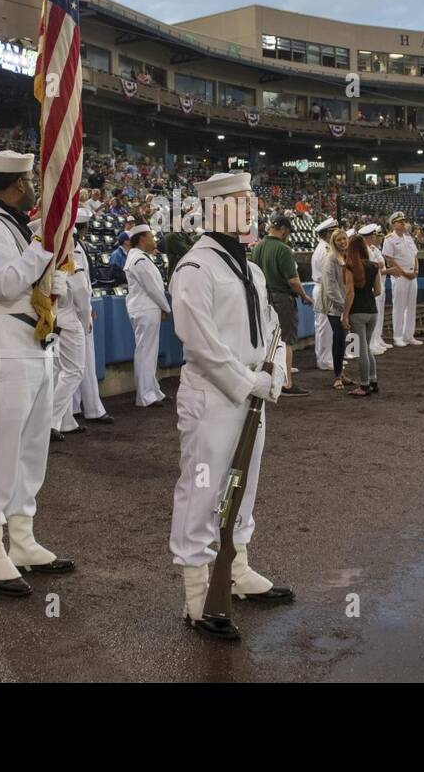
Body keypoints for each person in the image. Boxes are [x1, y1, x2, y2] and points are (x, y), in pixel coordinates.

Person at [168, 170, 290, 640]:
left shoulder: (252, 268)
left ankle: (236, 569)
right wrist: (251, 382)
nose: (253, 206)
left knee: (245, 484)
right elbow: (201, 344)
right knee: (203, 489)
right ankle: (198, 593)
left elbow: (271, 325)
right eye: (243, 199)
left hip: (250, 394)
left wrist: (275, 369)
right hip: (212, 397)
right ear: (218, 208)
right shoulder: (195, 268)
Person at [0, 150, 75, 598]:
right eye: (29, 180)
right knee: (1, 446)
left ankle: (22, 539)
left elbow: (26, 281)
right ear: (15, 184)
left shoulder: (10, 224)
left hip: (33, 339)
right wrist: (43, 249)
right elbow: (5, 284)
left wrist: (50, 284)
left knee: (31, 446)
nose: (34, 188)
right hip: (4, 341)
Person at [48, 208, 97, 440]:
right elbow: (83, 302)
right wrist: (87, 321)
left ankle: (65, 421)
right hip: (72, 324)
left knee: (60, 373)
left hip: (57, 323)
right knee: (74, 373)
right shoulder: (73, 268)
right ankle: (51, 420)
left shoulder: (53, 268)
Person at [251, 213, 312, 397]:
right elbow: (293, 281)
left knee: (269, 341)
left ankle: (268, 379)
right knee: (286, 340)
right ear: (284, 229)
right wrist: (304, 295)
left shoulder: (258, 247)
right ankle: (286, 383)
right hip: (281, 298)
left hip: (262, 296)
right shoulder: (283, 249)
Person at [124, 223, 171, 407]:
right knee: (146, 352)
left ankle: (153, 391)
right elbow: (152, 288)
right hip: (145, 308)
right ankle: (145, 395)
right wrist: (166, 307)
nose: (154, 239)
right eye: (151, 236)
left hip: (146, 308)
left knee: (149, 352)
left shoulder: (141, 257)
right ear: (142, 239)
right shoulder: (139, 260)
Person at [71, 215, 111, 426]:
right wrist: (86, 311)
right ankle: (92, 408)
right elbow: (80, 286)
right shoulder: (74, 248)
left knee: (73, 364)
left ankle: (75, 408)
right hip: (76, 313)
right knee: (83, 361)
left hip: (74, 311)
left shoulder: (78, 246)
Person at [342, 233, 381, 397]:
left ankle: (364, 385)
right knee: (368, 347)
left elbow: (350, 293)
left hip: (357, 312)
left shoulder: (350, 266)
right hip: (372, 311)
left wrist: (345, 314)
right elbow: (378, 291)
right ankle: (373, 381)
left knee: (361, 350)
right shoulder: (374, 266)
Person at [317, 227, 351, 390]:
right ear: (333, 242)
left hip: (346, 304)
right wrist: (345, 307)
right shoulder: (330, 259)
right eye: (339, 240)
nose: (343, 242)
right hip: (335, 306)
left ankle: (342, 373)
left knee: (343, 339)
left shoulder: (348, 257)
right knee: (338, 338)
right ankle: (337, 376)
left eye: (344, 238)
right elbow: (331, 289)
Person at [383, 211, 421, 347]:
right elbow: (389, 259)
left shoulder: (408, 238)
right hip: (400, 277)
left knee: (411, 306)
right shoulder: (389, 239)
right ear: (393, 224)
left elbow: (415, 256)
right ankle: (397, 336)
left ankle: (409, 335)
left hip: (412, 276)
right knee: (399, 306)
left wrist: (416, 271)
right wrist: (405, 273)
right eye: (400, 221)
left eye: (404, 221)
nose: (403, 223)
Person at [310, 218, 338, 371]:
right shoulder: (324, 250)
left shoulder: (326, 248)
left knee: (327, 326)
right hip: (324, 288)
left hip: (325, 288)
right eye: (333, 231)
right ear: (327, 234)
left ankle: (327, 357)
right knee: (324, 326)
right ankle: (324, 360)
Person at [360, 223, 390, 354]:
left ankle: (374, 342)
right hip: (368, 288)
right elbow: (375, 266)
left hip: (374, 286)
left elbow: (380, 265)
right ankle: (367, 346)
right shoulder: (365, 250)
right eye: (373, 236)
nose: (376, 238)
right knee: (364, 320)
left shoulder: (371, 249)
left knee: (374, 318)